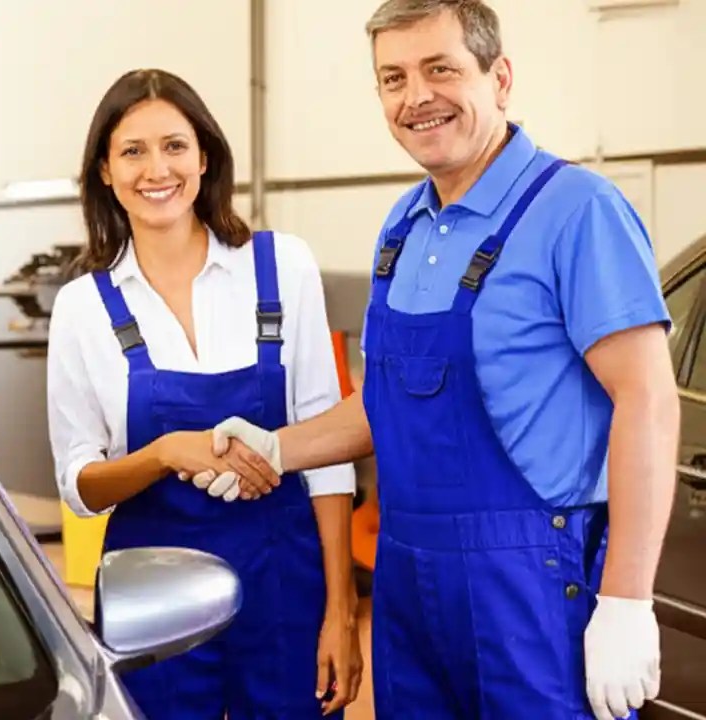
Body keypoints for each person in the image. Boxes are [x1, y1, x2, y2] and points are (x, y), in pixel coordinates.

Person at [207, 2, 679, 719]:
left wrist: (626, 598)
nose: (416, 97)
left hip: (530, 587)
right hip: (408, 580)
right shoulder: (401, 224)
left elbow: (647, 399)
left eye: (441, 69)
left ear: (500, 77)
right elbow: (389, 402)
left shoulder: (577, 210)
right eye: (393, 78)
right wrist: (277, 446)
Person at [46, 68, 363, 719]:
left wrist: (340, 610)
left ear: (205, 156)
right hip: (150, 595)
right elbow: (80, 488)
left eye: (174, 146)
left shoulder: (282, 267)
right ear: (104, 171)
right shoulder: (83, 307)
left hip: (283, 581)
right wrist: (164, 453)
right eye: (132, 150)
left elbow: (328, 453)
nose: (155, 168)